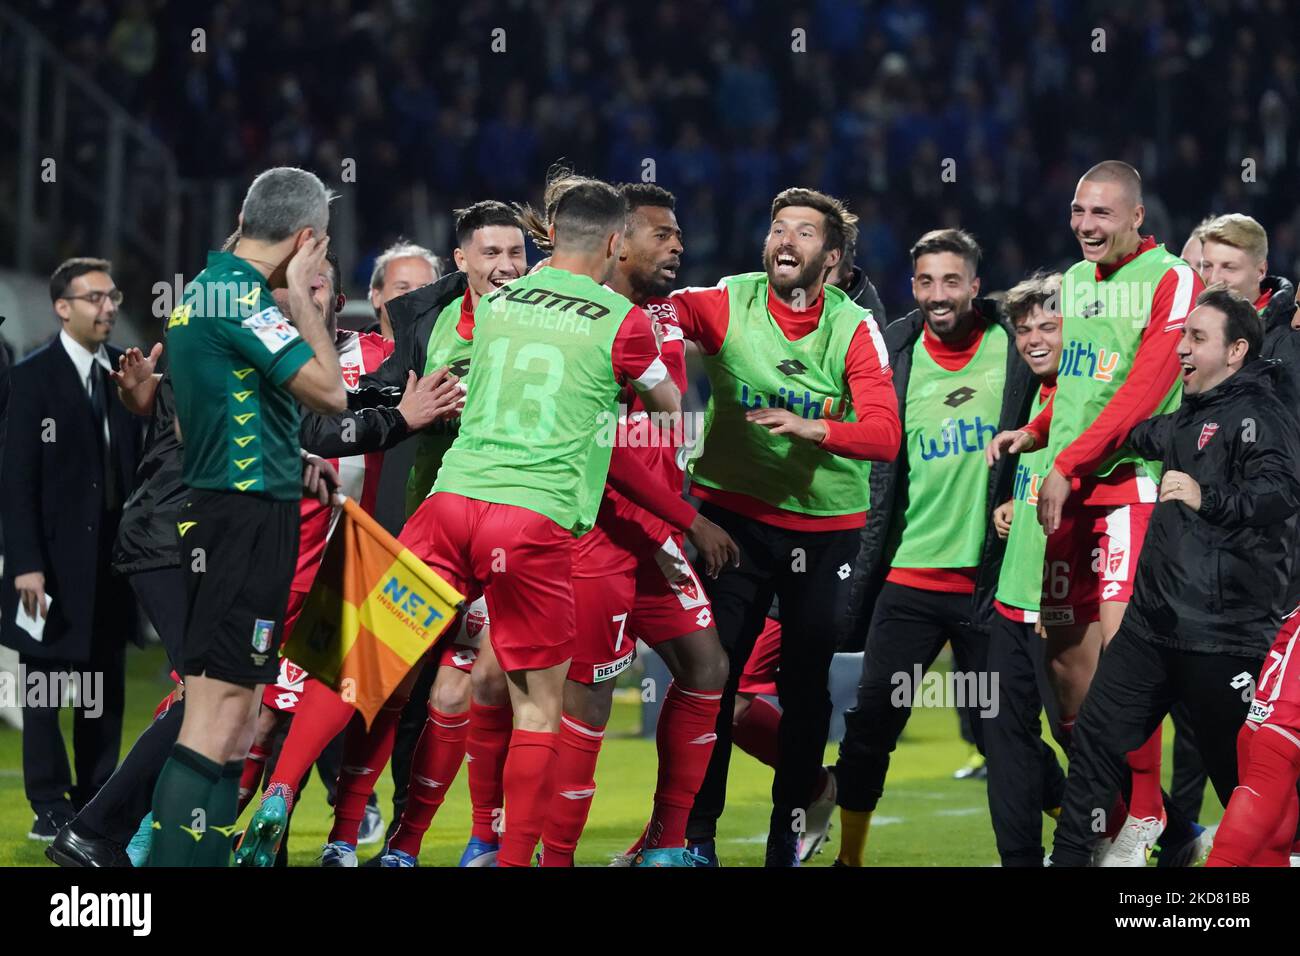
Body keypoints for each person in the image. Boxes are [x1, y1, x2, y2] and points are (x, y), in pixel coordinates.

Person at [396, 178, 681, 867]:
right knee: (531, 700)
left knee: (400, 668)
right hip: (542, 521)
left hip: (456, 506)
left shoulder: (502, 305)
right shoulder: (620, 320)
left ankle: (348, 819)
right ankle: (507, 850)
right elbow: (670, 407)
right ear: (618, 243)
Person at [670, 187, 900, 866]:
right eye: (777, 228)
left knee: (804, 691)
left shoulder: (854, 327)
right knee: (710, 680)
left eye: (803, 232)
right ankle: (695, 840)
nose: (784, 241)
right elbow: (649, 314)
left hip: (826, 529)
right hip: (732, 521)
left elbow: (885, 435)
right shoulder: (726, 301)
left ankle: (785, 842)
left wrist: (814, 427)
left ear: (830, 258)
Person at [990, 160, 1204, 864]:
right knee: (1065, 667)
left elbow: (1143, 390)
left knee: (1123, 660)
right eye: (1078, 212)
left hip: (1130, 486)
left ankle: (1142, 812)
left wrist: (1068, 463)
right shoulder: (1076, 284)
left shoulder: (1170, 279)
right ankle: (1123, 807)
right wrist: (1038, 430)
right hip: (1068, 488)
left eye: (1101, 214)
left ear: (1137, 217)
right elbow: (1080, 387)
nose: (1085, 226)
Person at [1051, 288, 1300, 866]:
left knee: (1244, 782)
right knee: (1092, 741)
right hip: (1152, 629)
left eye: (1196, 338)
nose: (1182, 349)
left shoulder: (1261, 416)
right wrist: (1062, 459)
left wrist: (1207, 497)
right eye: (1183, 336)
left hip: (1224, 637)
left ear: (1236, 350)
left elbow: (1282, 493)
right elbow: (1132, 435)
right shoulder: (1186, 418)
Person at [146, 166, 348, 867]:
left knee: (230, 717)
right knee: (219, 716)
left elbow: (188, 427)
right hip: (244, 521)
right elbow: (331, 393)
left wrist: (285, 460)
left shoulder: (204, 290)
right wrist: (307, 302)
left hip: (222, 509)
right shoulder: (245, 300)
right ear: (306, 238)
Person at [533, 181, 735, 869]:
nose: (677, 246)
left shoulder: (669, 314)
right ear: (618, 242)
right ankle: (529, 849)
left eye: (679, 234)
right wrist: (691, 518)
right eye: (662, 234)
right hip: (596, 531)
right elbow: (606, 445)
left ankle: (668, 842)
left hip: (653, 532)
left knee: (706, 667)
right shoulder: (589, 318)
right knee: (580, 703)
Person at [832, 229, 1035, 867]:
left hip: (991, 583)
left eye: (953, 281)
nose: (939, 295)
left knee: (1011, 741)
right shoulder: (895, 353)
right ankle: (850, 860)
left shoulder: (1017, 349)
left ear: (977, 285)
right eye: (926, 282)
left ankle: (1120, 825)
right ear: (912, 287)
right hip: (911, 580)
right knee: (868, 731)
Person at [1, 257, 144, 841]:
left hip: (110, 565)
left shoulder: (123, 376)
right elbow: (16, 480)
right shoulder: (33, 376)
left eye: (112, 296)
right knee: (45, 689)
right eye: (95, 298)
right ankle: (48, 804)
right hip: (51, 567)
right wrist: (27, 564)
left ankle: (94, 800)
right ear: (63, 308)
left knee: (103, 687)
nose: (108, 307)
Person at [981, 272, 1069, 867]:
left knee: (1080, 736)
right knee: (1006, 739)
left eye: (1048, 326)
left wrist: (1056, 595)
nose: (1034, 339)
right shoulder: (1031, 395)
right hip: (1011, 597)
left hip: (1057, 601)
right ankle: (1019, 860)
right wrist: (1010, 502)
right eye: (1024, 329)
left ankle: (1159, 826)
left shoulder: (1088, 393)